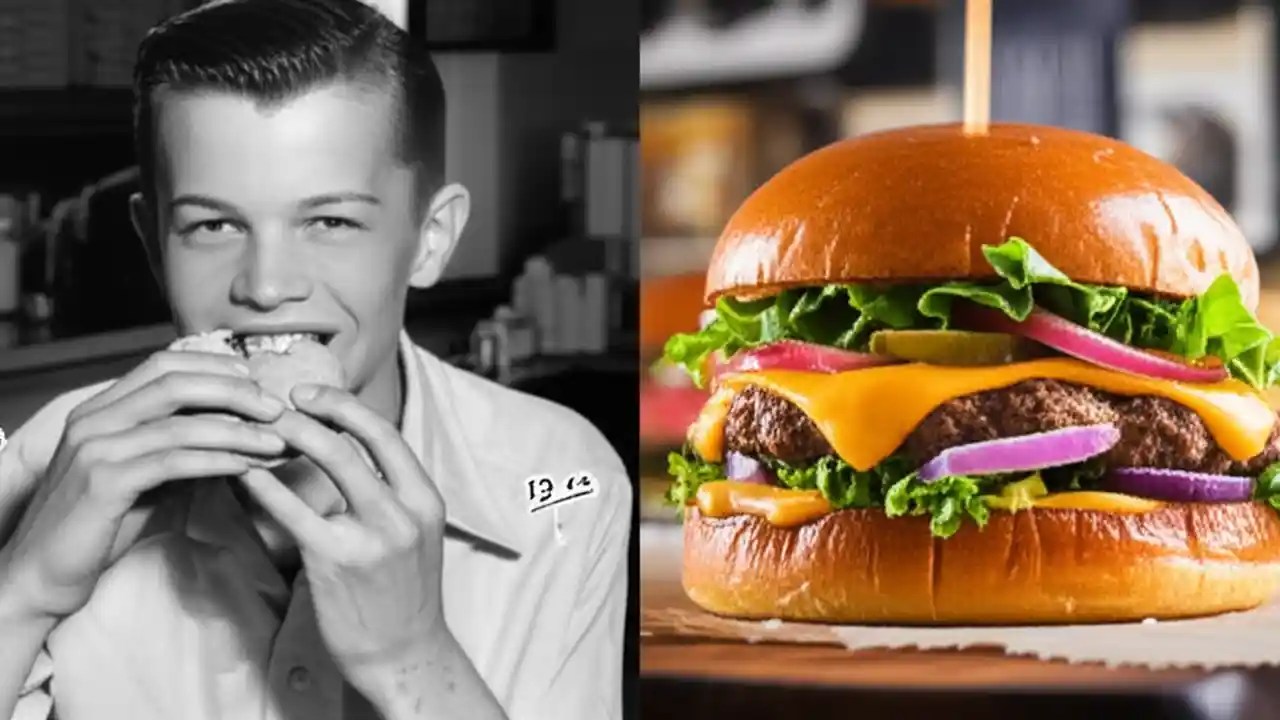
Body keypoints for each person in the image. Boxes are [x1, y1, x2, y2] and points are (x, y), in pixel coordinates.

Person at [0, 1, 631, 718]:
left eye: (330, 221)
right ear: (152, 242)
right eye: (213, 224)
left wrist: (411, 659)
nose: (267, 286)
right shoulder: (48, 460)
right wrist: (23, 593)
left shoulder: (565, 483)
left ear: (430, 237)